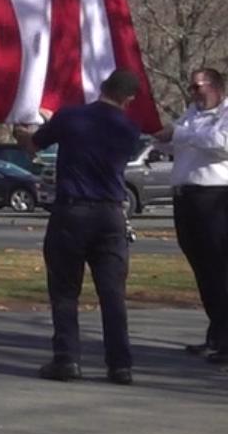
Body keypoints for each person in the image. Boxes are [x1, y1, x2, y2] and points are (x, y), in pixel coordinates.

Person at [15, 69, 144, 384]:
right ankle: (120, 364)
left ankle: (67, 359)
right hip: (111, 213)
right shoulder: (129, 129)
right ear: (128, 99)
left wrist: (20, 130)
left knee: (65, 290)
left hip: (72, 212)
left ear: (102, 86)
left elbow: (34, 145)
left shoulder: (71, 117)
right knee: (112, 294)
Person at [157, 67, 228, 361]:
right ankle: (217, 334)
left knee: (220, 268)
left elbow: (222, 144)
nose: (194, 92)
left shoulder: (224, 114)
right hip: (186, 199)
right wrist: (161, 137)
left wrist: (182, 133)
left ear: (216, 86)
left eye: (198, 86)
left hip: (215, 198)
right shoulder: (191, 115)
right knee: (203, 270)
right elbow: (176, 143)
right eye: (191, 87)